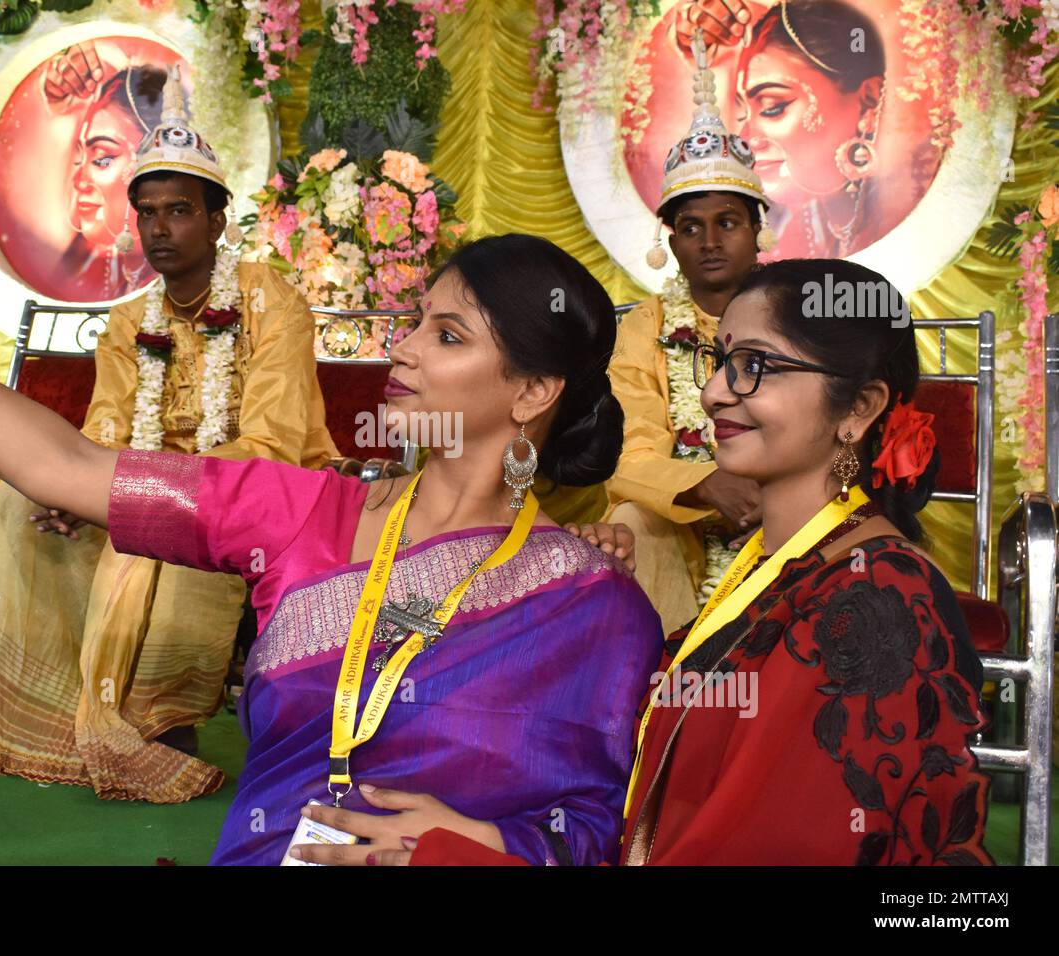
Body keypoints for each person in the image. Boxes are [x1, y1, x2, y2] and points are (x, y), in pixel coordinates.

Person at [0, 225, 662, 865]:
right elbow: (67, 465)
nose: (399, 348)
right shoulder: (299, 513)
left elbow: (596, 829)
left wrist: (468, 840)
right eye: (416, 320)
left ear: (534, 391)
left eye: (448, 335)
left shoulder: (594, 604)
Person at [407, 259, 994, 865]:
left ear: (857, 409)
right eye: (720, 361)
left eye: (755, 367)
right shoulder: (787, 566)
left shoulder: (872, 603)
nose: (714, 392)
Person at [0, 68, 337, 803]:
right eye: (147, 215)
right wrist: (75, 491)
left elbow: (273, 443)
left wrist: (154, 484)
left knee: (169, 521)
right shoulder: (132, 321)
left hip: (251, 494)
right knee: (21, 501)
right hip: (140, 484)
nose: (160, 230)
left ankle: (158, 719)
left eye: (179, 212)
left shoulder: (271, 303)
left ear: (218, 222)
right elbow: (104, 427)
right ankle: (64, 711)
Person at [603, 31, 773, 634]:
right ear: (669, 240)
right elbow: (632, 457)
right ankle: (657, 700)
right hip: (681, 522)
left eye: (727, 222)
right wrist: (706, 485)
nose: (709, 241)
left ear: (757, 230)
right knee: (630, 518)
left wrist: (765, 490)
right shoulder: (646, 328)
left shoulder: (798, 314)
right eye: (691, 226)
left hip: (785, 506)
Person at [735, 0, 890, 257]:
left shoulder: (911, 216)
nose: (746, 138)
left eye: (773, 106)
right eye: (742, 112)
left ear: (867, 101)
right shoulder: (789, 237)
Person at [59, 64, 165, 301]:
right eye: (79, 159)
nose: (79, 181)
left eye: (101, 158)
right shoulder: (84, 268)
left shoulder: (186, 272)